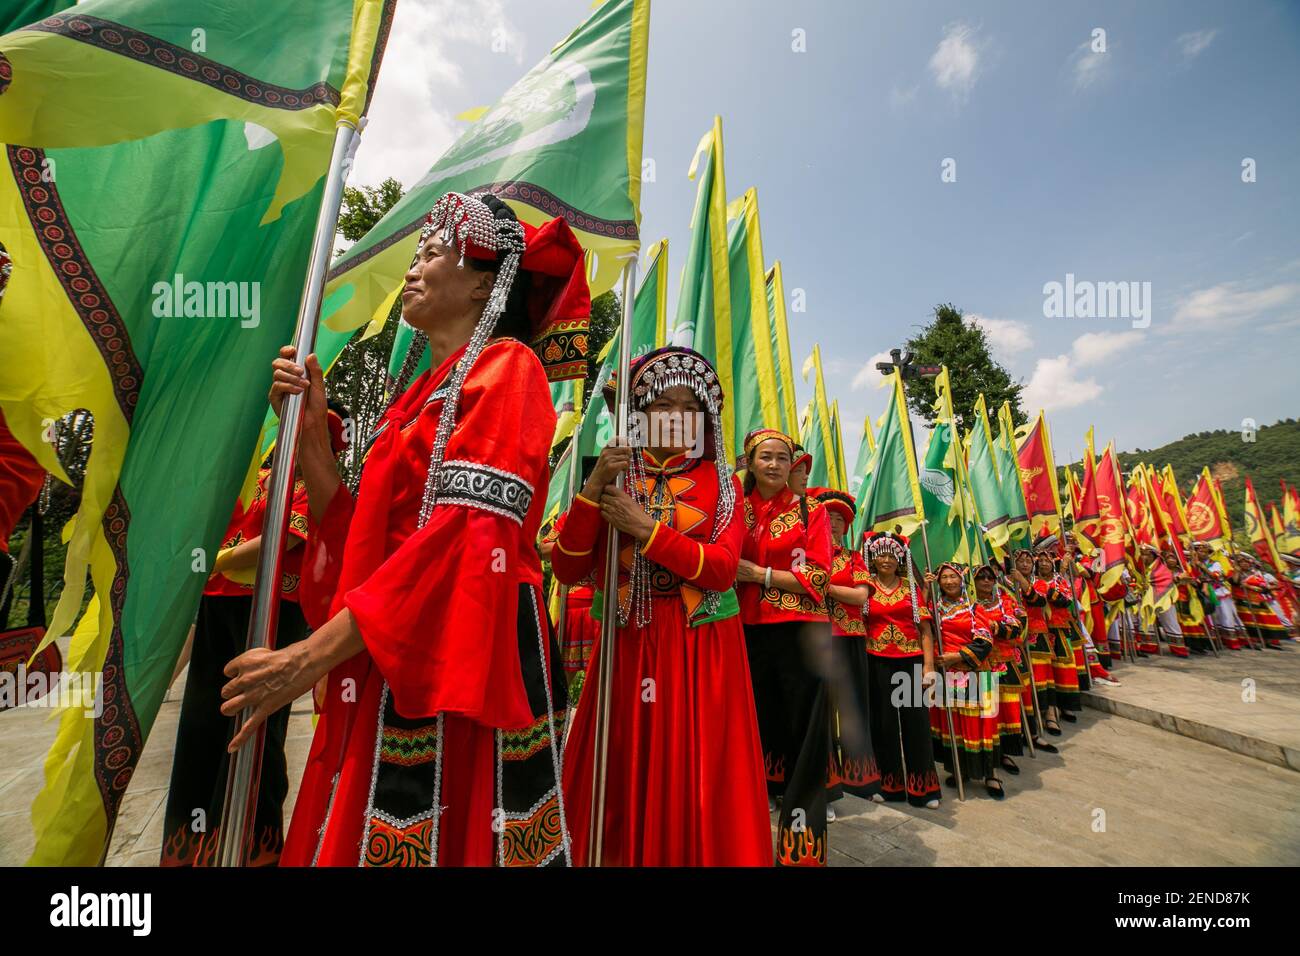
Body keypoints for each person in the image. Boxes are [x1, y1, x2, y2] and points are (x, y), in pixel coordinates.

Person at [220, 192, 589, 867]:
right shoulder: (419, 395)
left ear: (484, 280)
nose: (414, 270)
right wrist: (309, 439)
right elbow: (360, 532)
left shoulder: (509, 369)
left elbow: (463, 539)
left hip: (463, 644)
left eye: (432, 253)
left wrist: (307, 657)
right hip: (389, 637)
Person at [554, 346, 772, 866]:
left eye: (689, 407)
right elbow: (566, 568)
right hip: (629, 644)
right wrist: (592, 489)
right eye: (662, 405)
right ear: (640, 412)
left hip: (700, 649)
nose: (676, 416)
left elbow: (721, 569)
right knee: (625, 767)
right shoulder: (613, 473)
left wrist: (644, 528)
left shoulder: (722, 484)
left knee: (692, 773)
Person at [160, 411, 347, 866]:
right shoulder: (259, 477)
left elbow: (282, 541)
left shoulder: (310, 488)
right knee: (205, 718)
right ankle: (192, 845)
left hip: (271, 612)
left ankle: (252, 844)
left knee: (253, 725)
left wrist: (217, 560)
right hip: (219, 603)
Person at [737, 427, 834, 866]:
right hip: (744, 632)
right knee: (748, 733)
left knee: (804, 737)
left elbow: (817, 579)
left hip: (800, 633)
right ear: (750, 462)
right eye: (765, 457)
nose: (774, 464)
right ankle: (742, 837)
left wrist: (761, 575)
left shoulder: (811, 513)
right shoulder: (734, 509)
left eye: (782, 457)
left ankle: (802, 848)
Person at [861, 531, 941, 809]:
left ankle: (925, 790)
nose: (885, 560)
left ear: (899, 560)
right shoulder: (865, 586)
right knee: (883, 724)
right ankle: (889, 785)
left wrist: (928, 667)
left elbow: (925, 630)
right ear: (873, 558)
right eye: (880, 555)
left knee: (916, 724)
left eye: (891, 556)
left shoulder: (911, 588)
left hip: (910, 662)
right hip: (877, 661)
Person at [813, 488, 880, 813]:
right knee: (820, 713)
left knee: (853, 710)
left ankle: (862, 780)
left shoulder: (853, 557)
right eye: (829, 518)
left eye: (840, 519)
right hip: (820, 638)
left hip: (851, 637)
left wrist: (820, 585)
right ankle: (825, 785)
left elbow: (861, 597)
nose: (834, 523)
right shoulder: (811, 554)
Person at [930, 563, 1004, 799]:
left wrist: (957, 656)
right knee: (955, 724)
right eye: (945, 578)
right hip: (947, 673)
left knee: (982, 725)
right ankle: (960, 769)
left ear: (962, 580)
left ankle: (991, 774)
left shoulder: (974, 609)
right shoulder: (935, 609)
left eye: (953, 577)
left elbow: (985, 641)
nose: (950, 581)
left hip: (974, 671)